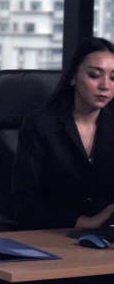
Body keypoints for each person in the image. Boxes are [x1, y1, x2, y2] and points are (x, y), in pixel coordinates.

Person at [12, 36, 114, 230]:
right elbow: (25, 203)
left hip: (106, 239)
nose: (105, 86)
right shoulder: (41, 125)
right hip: (53, 235)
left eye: (113, 78)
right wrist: (85, 223)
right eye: (94, 75)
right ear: (73, 77)